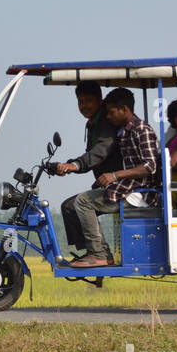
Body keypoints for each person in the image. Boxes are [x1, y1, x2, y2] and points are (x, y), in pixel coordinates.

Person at [67, 88, 160, 268]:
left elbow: (150, 166)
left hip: (141, 194)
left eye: (111, 112)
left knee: (83, 201)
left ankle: (99, 253)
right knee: (83, 200)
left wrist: (115, 175)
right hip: (128, 188)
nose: (108, 117)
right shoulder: (123, 131)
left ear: (124, 109)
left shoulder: (141, 130)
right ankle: (100, 252)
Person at [56, 82, 120, 256]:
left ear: (100, 100)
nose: (84, 106)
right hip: (105, 185)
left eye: (88, 100)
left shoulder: (105, 121)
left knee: (79, 203)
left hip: (119, 186)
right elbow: (90, 156)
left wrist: (75, 165)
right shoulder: (93, 123)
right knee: (69, 207)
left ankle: (98, 254)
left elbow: (101, 151)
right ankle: (95, 252)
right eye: (80, 101)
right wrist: (70, 166)